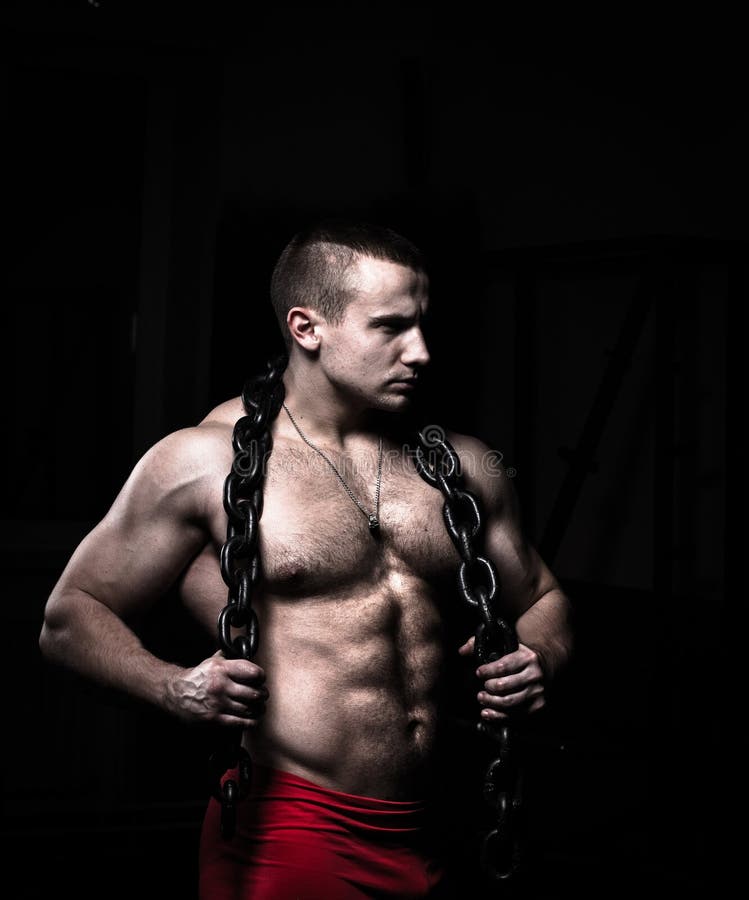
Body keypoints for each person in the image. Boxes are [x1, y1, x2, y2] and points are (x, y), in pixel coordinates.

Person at [39, 219, 574, 899]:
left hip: (438, 821)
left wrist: (541, 657)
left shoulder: (463, 465)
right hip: (292, 827)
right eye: (389, 327)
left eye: (422, 324)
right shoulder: (203, 462)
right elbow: (69, 617)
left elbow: (542, 599)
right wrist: (173, 688)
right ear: (306, 327)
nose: (421, 352)